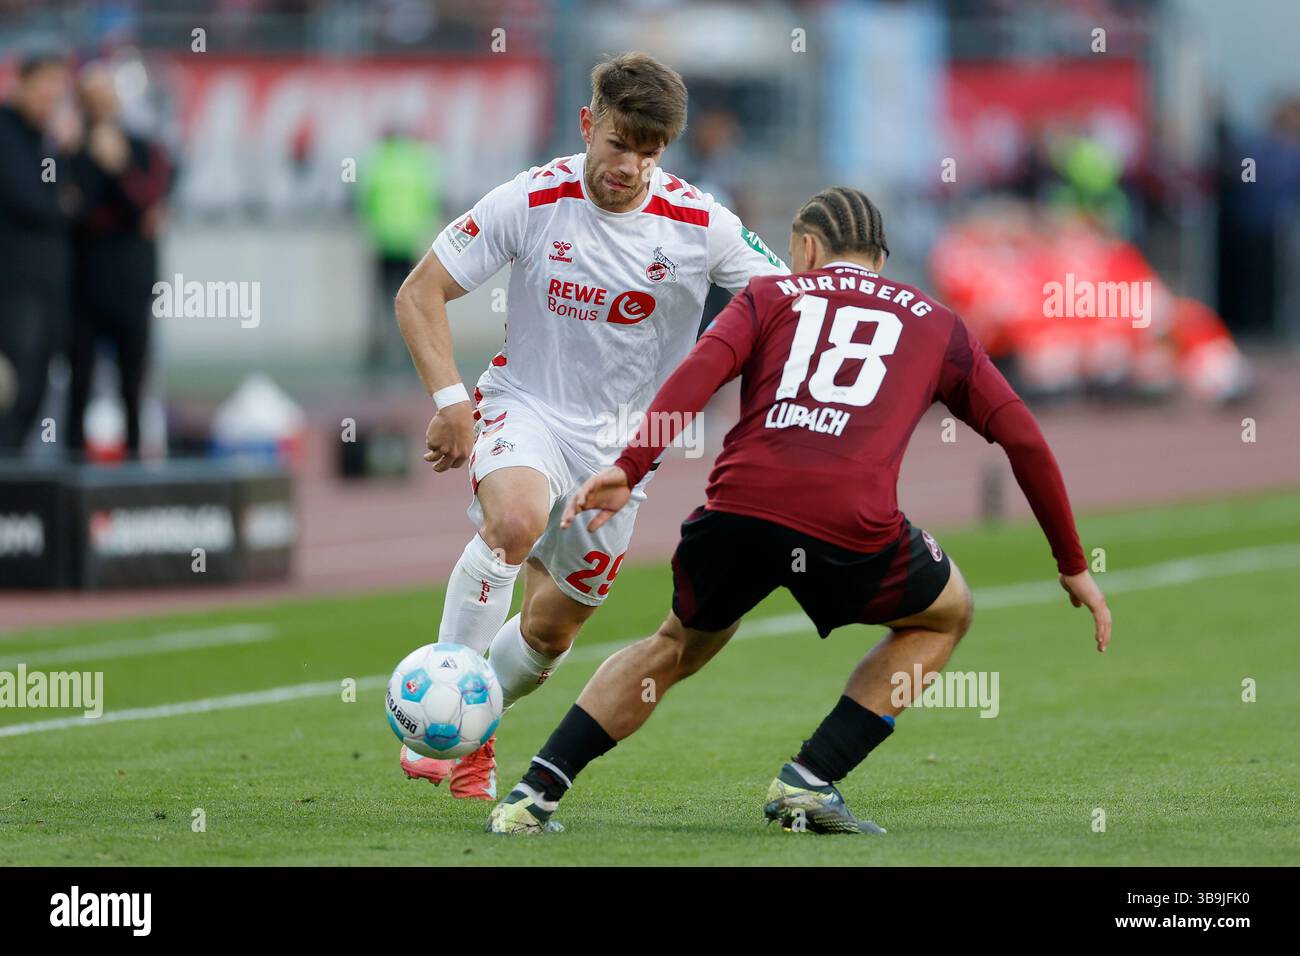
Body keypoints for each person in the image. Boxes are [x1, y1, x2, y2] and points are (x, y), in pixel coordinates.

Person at [487, 186, 1113, 835]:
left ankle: (533, 794)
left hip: (736, 510)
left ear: (808, 247)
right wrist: (1072, 564)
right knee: (946, 613)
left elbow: (696, 375)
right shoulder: (936, 322)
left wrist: (630, 466)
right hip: (850, 526)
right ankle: (810, 781)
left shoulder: (769, 295)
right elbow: (1024, 437)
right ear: (880, 254)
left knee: (673, 646)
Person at [393, 52, 788, 800]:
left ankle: (482, 718)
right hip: (526, 407)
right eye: (619, 144)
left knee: (550, 632)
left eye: (650, 152)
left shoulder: (700, 224)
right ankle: (449, 716)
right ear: (587, 125)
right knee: (513, 522)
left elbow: (791, 301)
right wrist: (451, 403)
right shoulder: (533, 198)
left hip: (623, 455)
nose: (631, 167)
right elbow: (420, 293)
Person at [66, 61, 173, 459]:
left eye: (105, 94)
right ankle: (72, 470)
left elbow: (149, 206)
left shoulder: (145, 148)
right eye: (91, 97)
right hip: (83, 287)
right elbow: (79, 211)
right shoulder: (70, 150)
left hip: (131, 286)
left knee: (134, 386)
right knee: (79, 386)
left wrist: (119, 166)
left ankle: (134, 471)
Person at [0, 52, 74, 452]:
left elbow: (73, 200)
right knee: (12, 392)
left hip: (47, 292)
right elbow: (34, 200)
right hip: (13, 292)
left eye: (57, 87)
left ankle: (13, 496)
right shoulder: (7, 132)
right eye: (44, 84)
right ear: (23, 82)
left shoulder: (44, 140)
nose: (51, 96)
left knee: (36, 392)